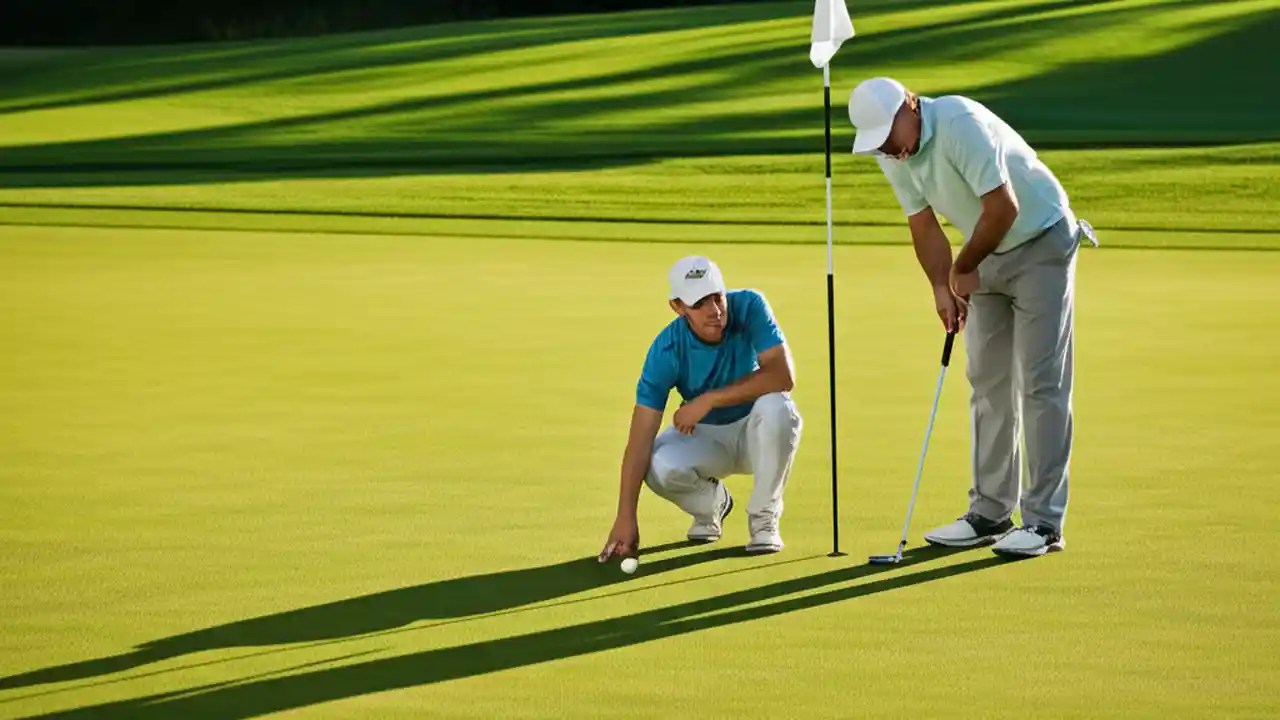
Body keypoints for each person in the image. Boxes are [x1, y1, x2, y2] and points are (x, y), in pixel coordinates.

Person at [847, 77, 1097, 558]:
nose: (889, 150)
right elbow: (922, 225)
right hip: (984, 250)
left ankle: (1044, 523)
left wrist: (962, 268)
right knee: (986, 379)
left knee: (1041, 383)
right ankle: (990, 512)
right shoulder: (892, 151)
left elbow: (1004, 207)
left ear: (910, 108)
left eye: (889, 136)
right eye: (878, 143)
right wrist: (942, 286)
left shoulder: (959, 122)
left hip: (1041, 238)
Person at [598, 256, 803, 562]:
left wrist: (707, 400)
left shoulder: (750, 305)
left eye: (717, 297)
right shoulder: (666, 349)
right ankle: (713, 505)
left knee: (780, 408)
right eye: (699, 303)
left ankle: (764, 520)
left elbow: (783, 376)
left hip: (756, 433)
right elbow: (639, 440)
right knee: (657, 464)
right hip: (707, 441)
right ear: (677, 307)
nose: (715, 312)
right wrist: (625, 517)